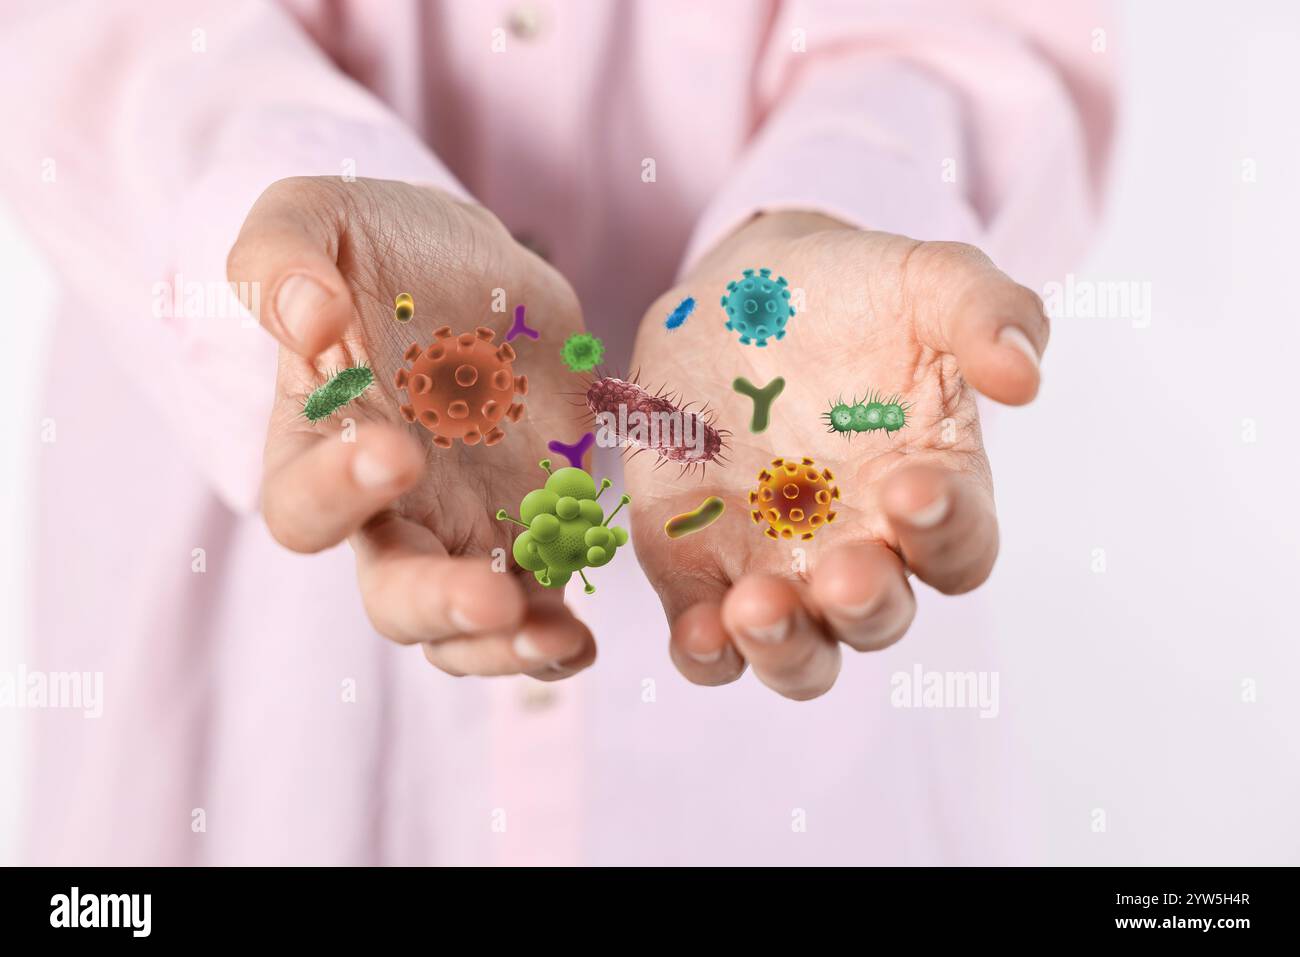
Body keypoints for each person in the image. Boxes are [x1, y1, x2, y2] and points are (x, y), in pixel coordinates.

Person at [0, 1, 1114, 864]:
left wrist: (828, 206)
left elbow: (962, 30)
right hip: (245, 645)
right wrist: (278, 190)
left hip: (787, 634)